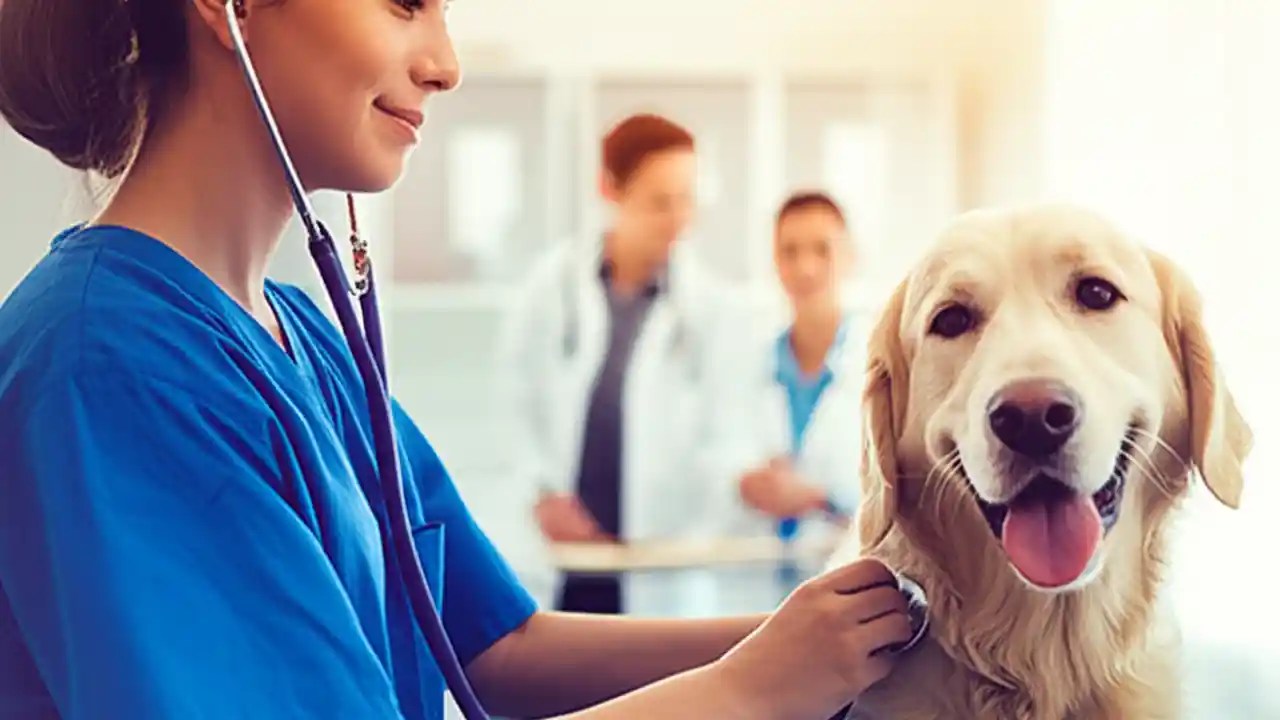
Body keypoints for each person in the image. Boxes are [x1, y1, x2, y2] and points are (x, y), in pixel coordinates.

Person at [0, 2, 912, 719]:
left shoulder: (302, 337)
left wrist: (823, 645)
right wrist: (750, 695)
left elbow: (497, 648)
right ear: (230, 6)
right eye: (405, 4)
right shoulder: (107, 372)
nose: (446, 63)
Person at [494, 113, 741, 616]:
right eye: (660, 202)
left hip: (657, 563)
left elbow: (726, 439)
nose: (679, 218)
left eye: (687, 199)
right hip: (562, 553)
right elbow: (515, 404)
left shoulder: (711, 309)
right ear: (609, 190)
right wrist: (542, 494)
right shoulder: (552, 287)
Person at [731, 192, 863, 547]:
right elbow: (717, 465)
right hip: (756, 578)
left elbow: (908, 494)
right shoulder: (749, 365)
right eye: (790, 252)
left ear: (850, 257)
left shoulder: (877, 365)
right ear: (775, 261)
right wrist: (747, 484)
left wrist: (822, 497)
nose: (806, 268)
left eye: (822, 250)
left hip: (849, 574)